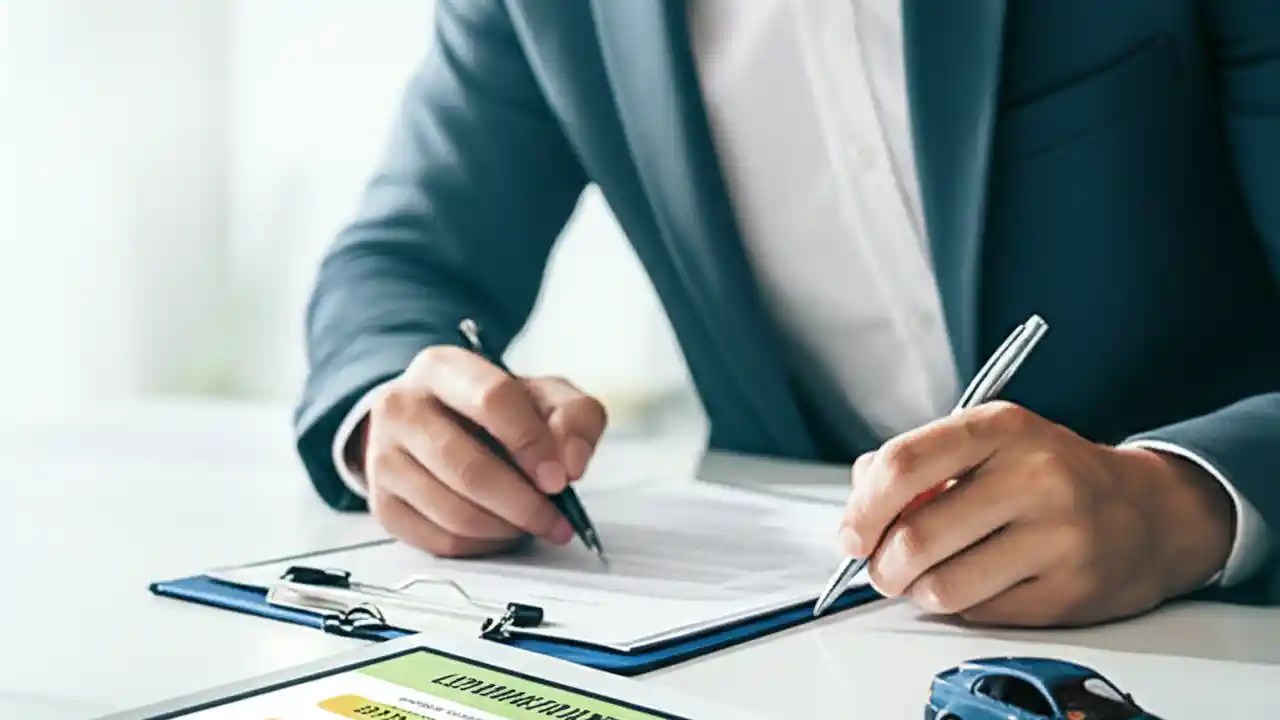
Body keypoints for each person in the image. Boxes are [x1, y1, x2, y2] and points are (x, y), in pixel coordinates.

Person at [296, 0, 1279, 625]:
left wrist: (1175, 505)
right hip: (790, 648)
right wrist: (400, 413)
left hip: (1204, 634)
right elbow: (402, 262)